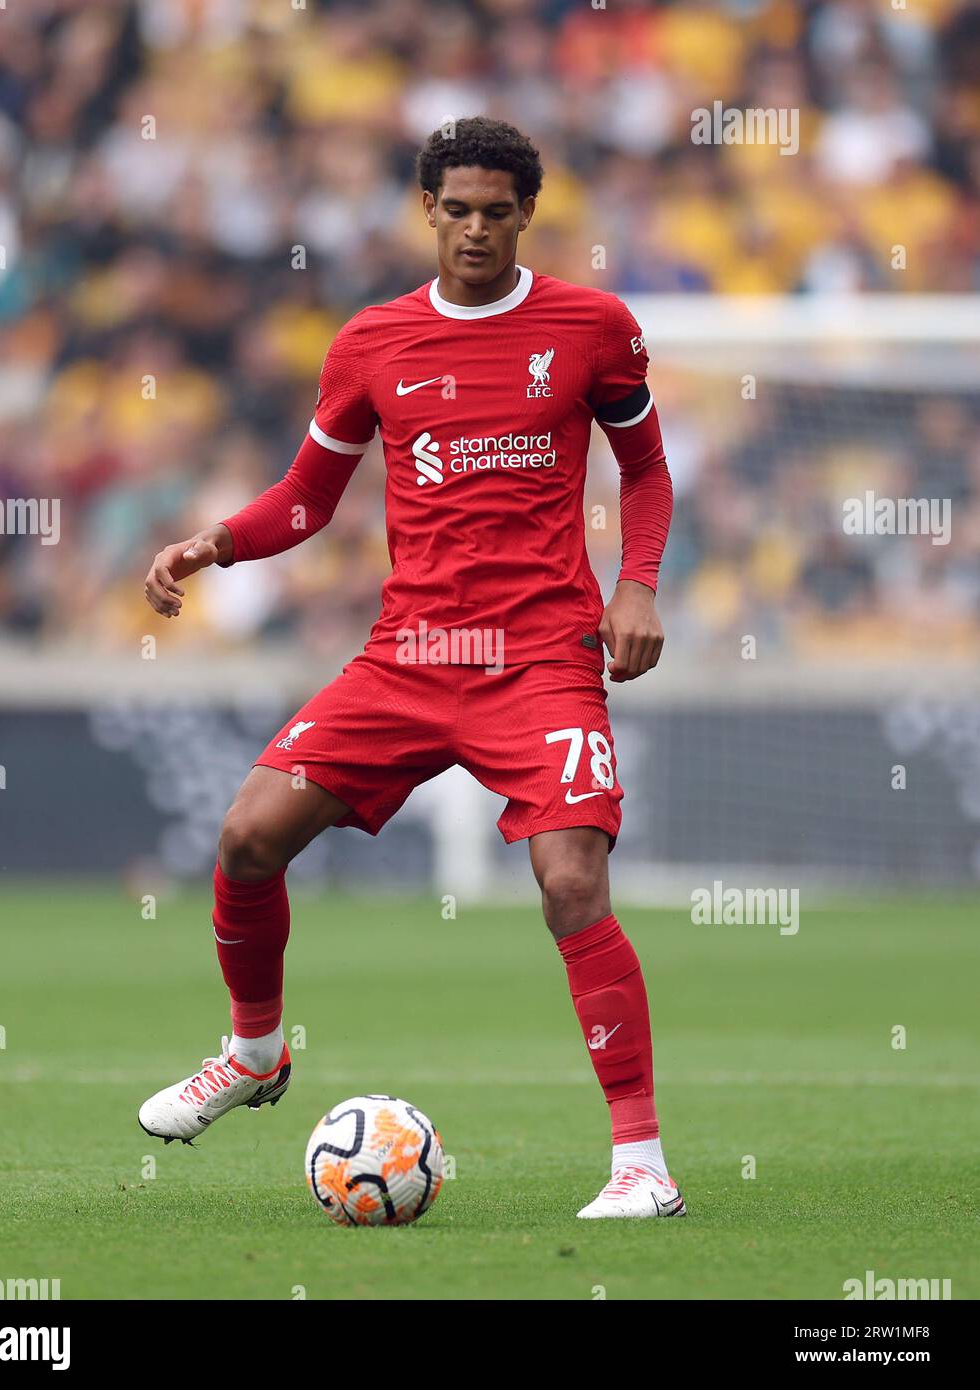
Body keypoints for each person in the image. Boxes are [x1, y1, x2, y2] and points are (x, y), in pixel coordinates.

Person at [140, 117, 680, 1220]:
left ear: (526, 214)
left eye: (496, 212)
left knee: (571, 883)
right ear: (426, 210)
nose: (475, 229)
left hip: (539, 657)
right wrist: (215, 543)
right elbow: (307, 497)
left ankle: (641, 1164)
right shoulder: (371, 343)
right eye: (457, 210)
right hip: (413, 654)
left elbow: (647, 471)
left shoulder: (592, 327)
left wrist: (636, 585)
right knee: (247, 836)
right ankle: (252, 1053)